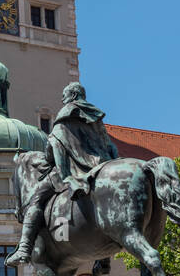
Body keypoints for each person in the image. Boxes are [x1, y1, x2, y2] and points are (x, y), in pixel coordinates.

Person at [7, 81, 118, 266]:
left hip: (71, 170)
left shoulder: (65, 116)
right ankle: (103, 257)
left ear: (73, 96)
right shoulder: (95, 117)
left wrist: (55, 164)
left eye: (65, 95)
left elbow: (55, 147)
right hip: (100, 168)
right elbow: (110, 146)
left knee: (36, 201)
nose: (62, 99)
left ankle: (24, 248)